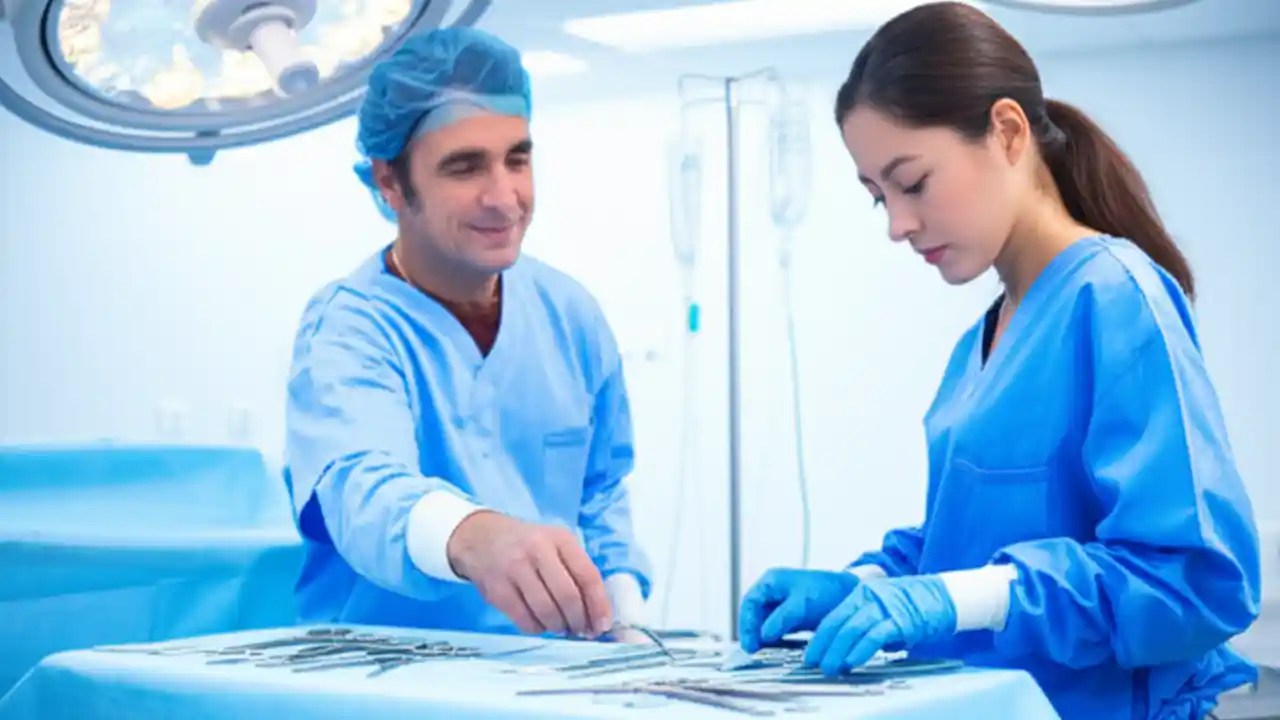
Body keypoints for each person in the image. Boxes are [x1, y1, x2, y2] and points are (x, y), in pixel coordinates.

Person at [736, 3, 1261, 718]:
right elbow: (972, 543)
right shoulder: (980, 344)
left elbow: (1192, 581)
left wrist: (953, 596)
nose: (898, 224)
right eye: (877, 198)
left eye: (913, 182)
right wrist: (864, 583)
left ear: (1007, 131)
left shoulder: (1113, 296)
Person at [282, 27, 652, 641]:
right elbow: (362, 491)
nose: (504, 198)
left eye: (518, 158)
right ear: (390, 184)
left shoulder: (568, 312)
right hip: (382, 681)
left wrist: (622, 612)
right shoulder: (351, 328)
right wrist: (475, 536)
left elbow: (600, 489)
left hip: (548, 680)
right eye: (464, 167)